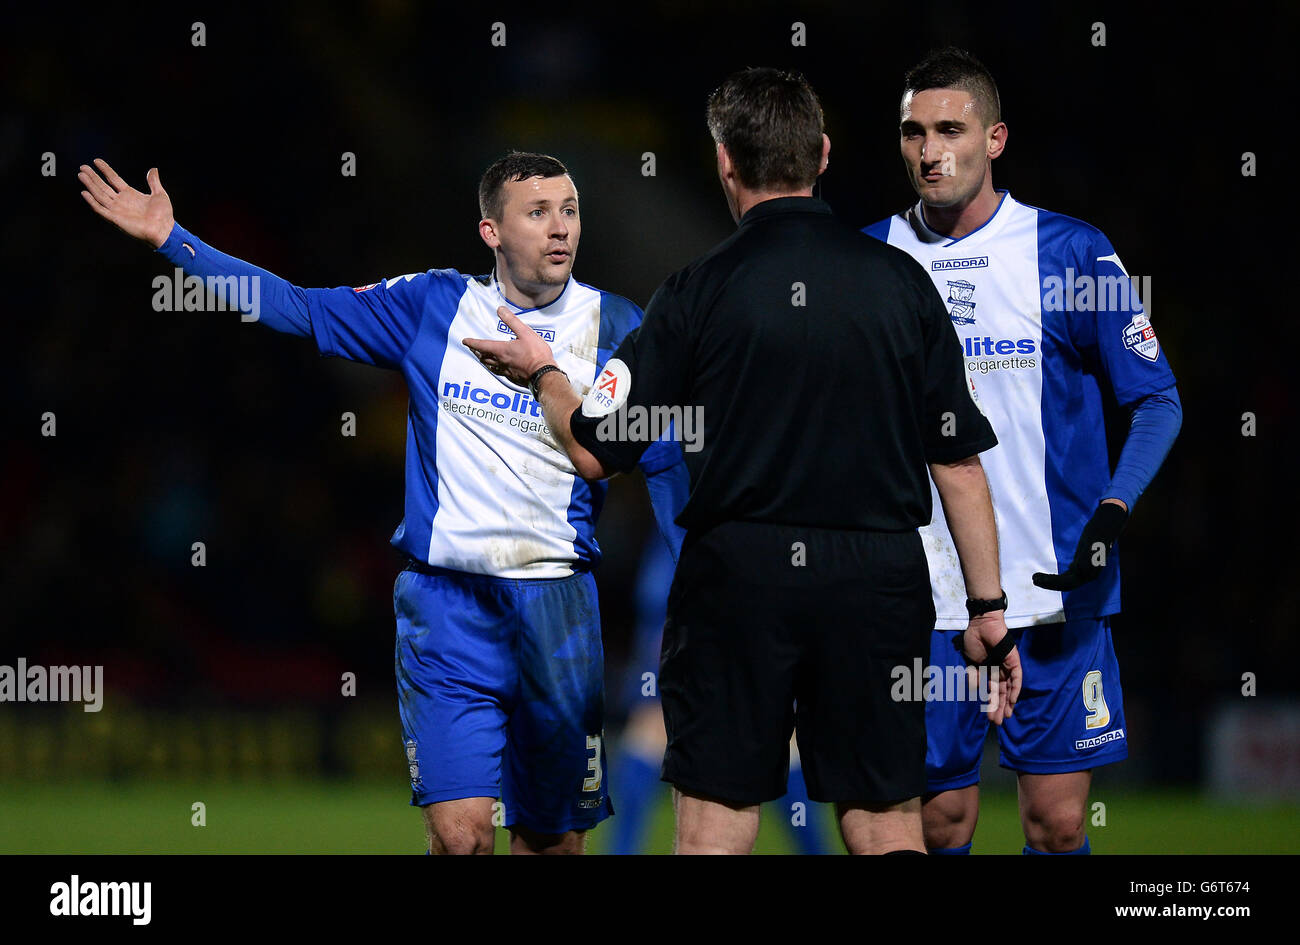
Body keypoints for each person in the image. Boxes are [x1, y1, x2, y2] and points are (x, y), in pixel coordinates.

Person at [465, 67, 1022, 855]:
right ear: (823, 154)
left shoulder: (696, 291)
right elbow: (959, 466)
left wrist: (546, 374)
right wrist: (989, 609)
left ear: (725, 161)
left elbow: (594, 448)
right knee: (887, 820)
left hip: (737, 579)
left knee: (716, 822)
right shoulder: (902, 283)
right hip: (876, 580)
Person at [78, 151, 688, 855]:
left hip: (558, 611)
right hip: (447, 607)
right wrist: (175, 241)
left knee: (550, 843)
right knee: (462, 838)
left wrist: (694, 584)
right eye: (539, 212)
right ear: (491, 231)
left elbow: (665, 454)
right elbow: (300, 308)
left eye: (570, 210)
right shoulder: (430, 304)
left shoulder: (619, 325)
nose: (561, 229)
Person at [862, 47, 1182, 855]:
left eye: (950, 129)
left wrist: (1114, 509)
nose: (930, 150)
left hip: (1056, 586)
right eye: (912, 132)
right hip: (920, 595)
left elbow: (1157, 399)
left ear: (995, 138)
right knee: (940, 822)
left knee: (1058, 818)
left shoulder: (1071, 253)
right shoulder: (868, 262)